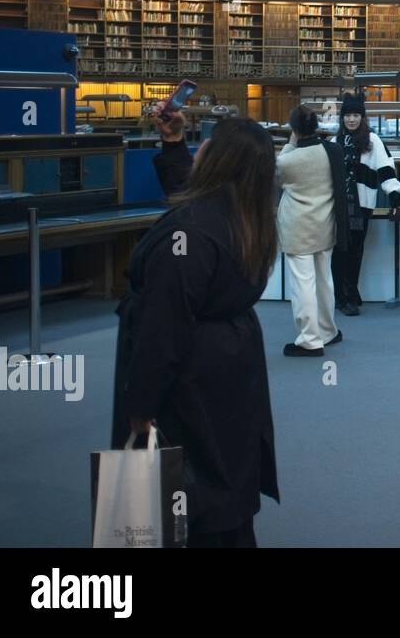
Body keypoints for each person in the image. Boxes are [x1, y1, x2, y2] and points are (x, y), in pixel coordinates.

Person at [111, 118, 280, 547]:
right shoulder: (246, 216)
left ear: (218, 157)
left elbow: (162, 329)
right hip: (230, 370)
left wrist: (141, 403)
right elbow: (195, 198)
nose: (198, 147)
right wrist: (172, 145)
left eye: (205, 142)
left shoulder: (190, 232)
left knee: (186, 486)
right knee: (224, 480)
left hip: (189, 376)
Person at [278, 105, 349, 357]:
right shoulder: (332, 151)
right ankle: (328, 330)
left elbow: (276, 176)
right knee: (324, 281)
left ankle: (309, 339)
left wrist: (290, 144)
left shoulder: (286, 160)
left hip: (298, 229)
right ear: (316, 126)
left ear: (293, 129)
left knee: (303, 285)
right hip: (325, 224)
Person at [332, 92, 400, 316]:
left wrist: (394, 192)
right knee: (340, 251)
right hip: (338, 206)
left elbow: (385, 168)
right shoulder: (335, 141)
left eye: (355, 115)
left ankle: (349, 292)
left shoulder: (372, 140)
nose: (351, 119)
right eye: (347, 115)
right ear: (342, 117)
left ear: (362, 117)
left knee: (355, 250)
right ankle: (343, 297)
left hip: (361, 205)